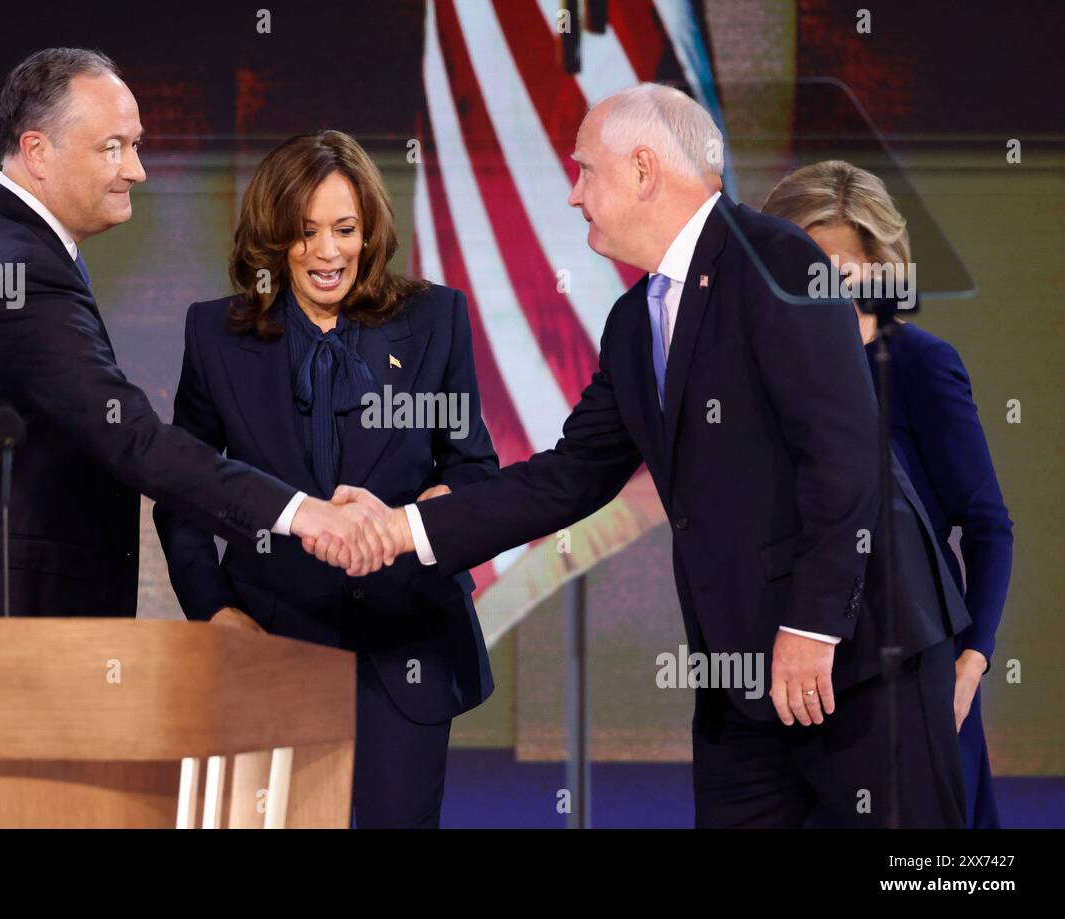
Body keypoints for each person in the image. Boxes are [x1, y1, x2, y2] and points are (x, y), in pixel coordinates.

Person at [333, 83, 973, 827]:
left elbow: (845, 455)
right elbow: (567, 477)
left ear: (642, 169)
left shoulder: (781, 262)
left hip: (862, 654)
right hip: (741, 674)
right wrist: (405, 527)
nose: (573, 196)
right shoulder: (636, 323)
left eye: (584, 171)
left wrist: (813, 625)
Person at [0, 48, 392, 619]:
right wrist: (304, 513)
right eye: (112, 148)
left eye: (136, 145)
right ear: (37, 151)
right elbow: (130, 439)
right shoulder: (16, 267)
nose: (136, 170)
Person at [154, 130, 498, 828]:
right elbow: (183, 490)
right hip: (269, 644)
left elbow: (473, 471)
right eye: (304, 232)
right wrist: (216, 613)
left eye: (344, 229)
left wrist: (423, 521)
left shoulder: (435, 319)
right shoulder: (215, 336)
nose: (327, 252)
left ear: (369, 230)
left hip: (403, 648)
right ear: (272, 238)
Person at [762, 160, 1013, 828]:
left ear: (881, 267)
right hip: (793, 680)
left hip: (913, 677)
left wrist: (971, 662)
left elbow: (989, 526)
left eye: (842, 266)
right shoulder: (762, 376)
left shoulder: (921, 364)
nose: (823, 284)